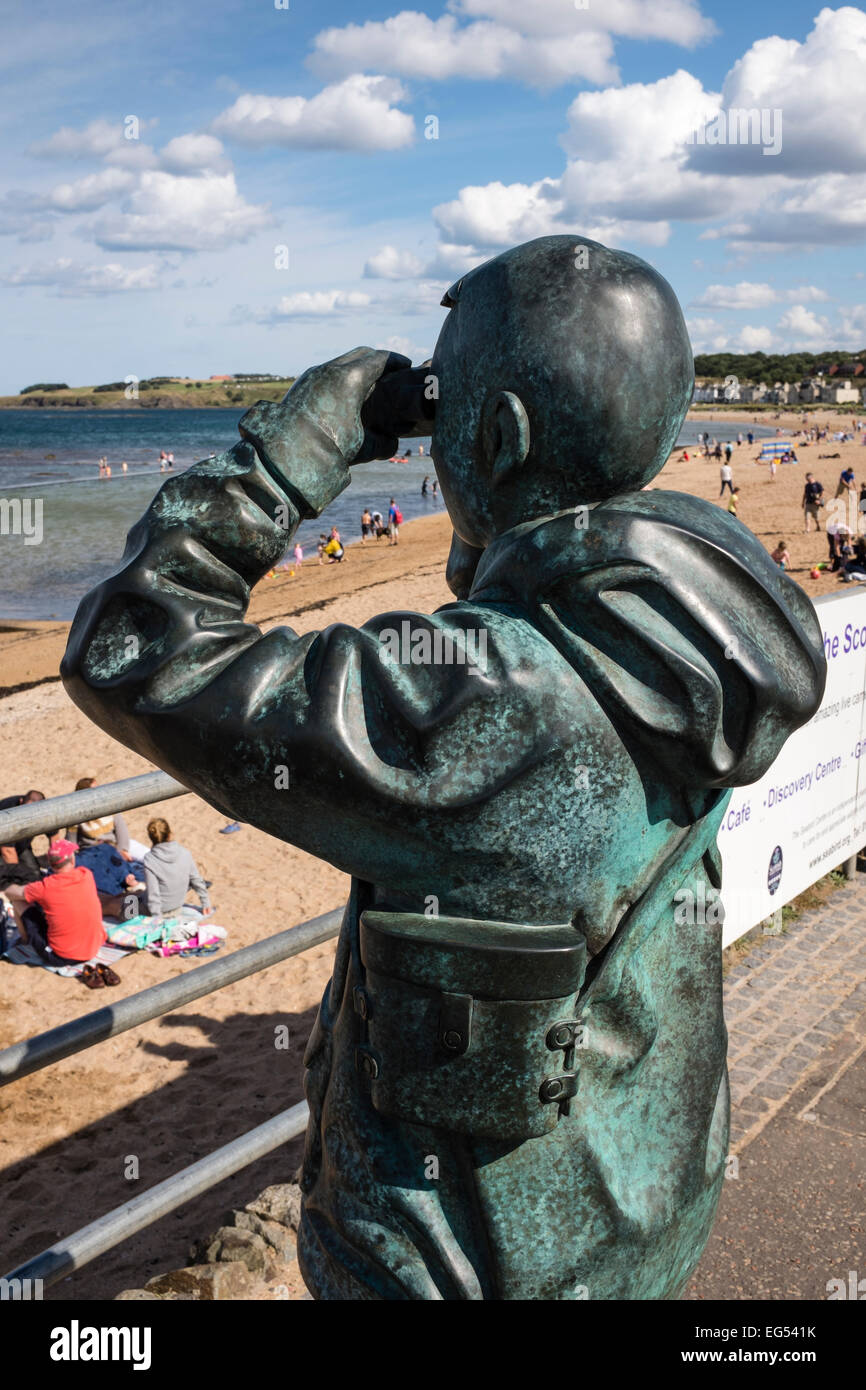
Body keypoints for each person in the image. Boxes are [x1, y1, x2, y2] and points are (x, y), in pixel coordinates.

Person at [62, 240, 825, 1302]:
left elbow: (130, 647)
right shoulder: (684, 632)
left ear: (496, 437)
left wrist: (295, 450)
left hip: (461, 1275)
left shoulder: (480, 700)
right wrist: (496, 513)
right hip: (640, 1221)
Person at [4, 839, 107, 968]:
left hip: (61, 956)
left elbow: (10, 893)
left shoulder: (45, 887)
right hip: (94, 947)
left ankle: (25, 941)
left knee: (18, 902)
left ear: (51, 865)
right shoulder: (86, 874)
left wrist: (19, 888)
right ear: (73, 861)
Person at [143, 818, 211, 920]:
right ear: (170, 834)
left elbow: (153, 896)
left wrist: (157, 921)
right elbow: (196, 879)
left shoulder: (150, 860)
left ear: (150, 837)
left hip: (158, 911)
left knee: (126, 900)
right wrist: (205, 902)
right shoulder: (184, 852)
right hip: (177, 906)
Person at [68, 777, 132, 855]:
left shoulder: (110, 807)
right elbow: (71, 843)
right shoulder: (76, 816)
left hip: (113, 847)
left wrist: (122, 850)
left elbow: (122, 831)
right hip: (91, 852)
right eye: (95, 790)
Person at [0, 789, 46, 890]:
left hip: (21, 843)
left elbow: (55, 839)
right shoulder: (7, 811)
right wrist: (19, 878)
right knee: (7, 877)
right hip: (3, 845)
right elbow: (7, 851)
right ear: (21, 802)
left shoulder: (46, 811)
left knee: (34, 873)